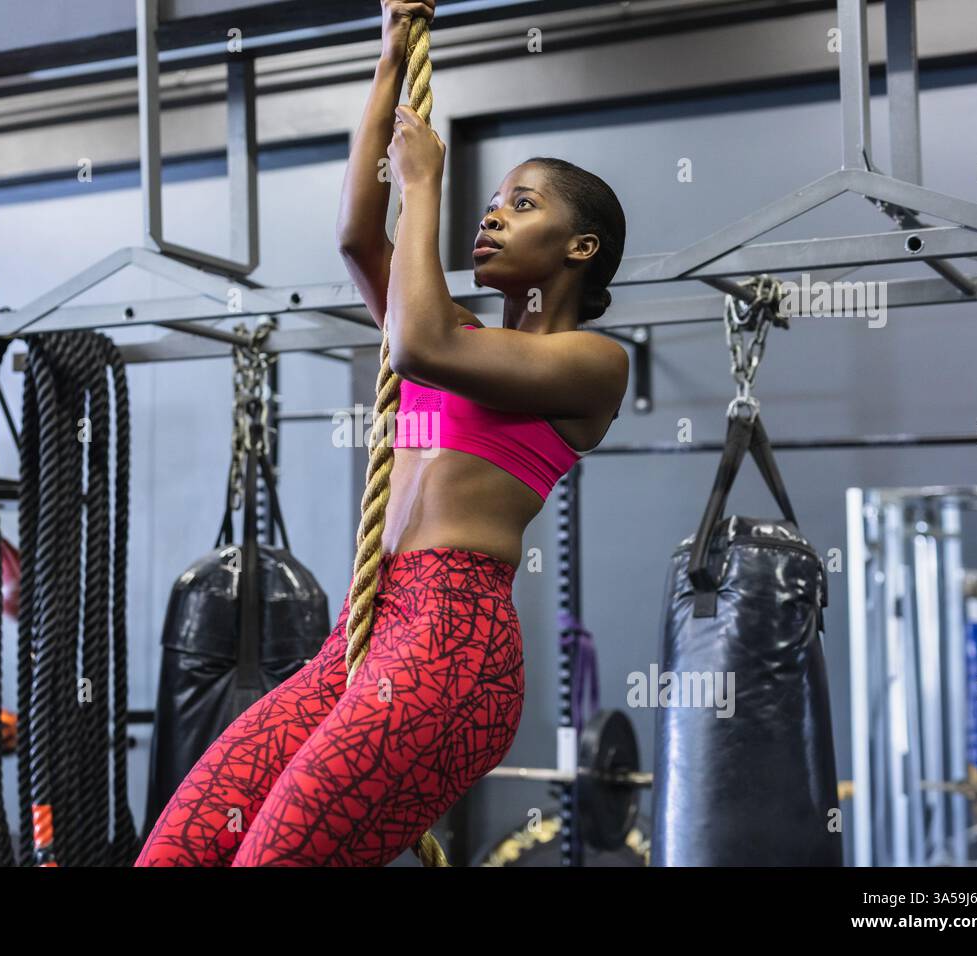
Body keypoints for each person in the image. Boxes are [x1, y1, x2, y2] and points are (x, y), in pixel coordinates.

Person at [136, 0, 628, 867]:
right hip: (366, 632)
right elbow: (359, 236)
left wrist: (426, 184)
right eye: (495, 202)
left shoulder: (593, 364)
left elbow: (417, 341)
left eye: (522, 203)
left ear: (581, 246)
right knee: (180, 848)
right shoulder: (464, 343)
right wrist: (388, 63)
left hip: (454, 645)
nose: (494, 215)